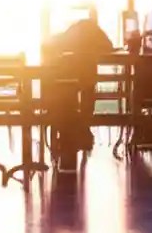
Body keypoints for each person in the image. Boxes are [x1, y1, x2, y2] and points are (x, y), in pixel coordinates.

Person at [44, 9, 114, 162]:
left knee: (71, 95)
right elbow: (109, 47)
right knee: (88, 90)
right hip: (84, 83)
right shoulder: (92, 33)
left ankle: (72, 135)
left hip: (66, 88)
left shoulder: (65, 39)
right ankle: (81, 130)